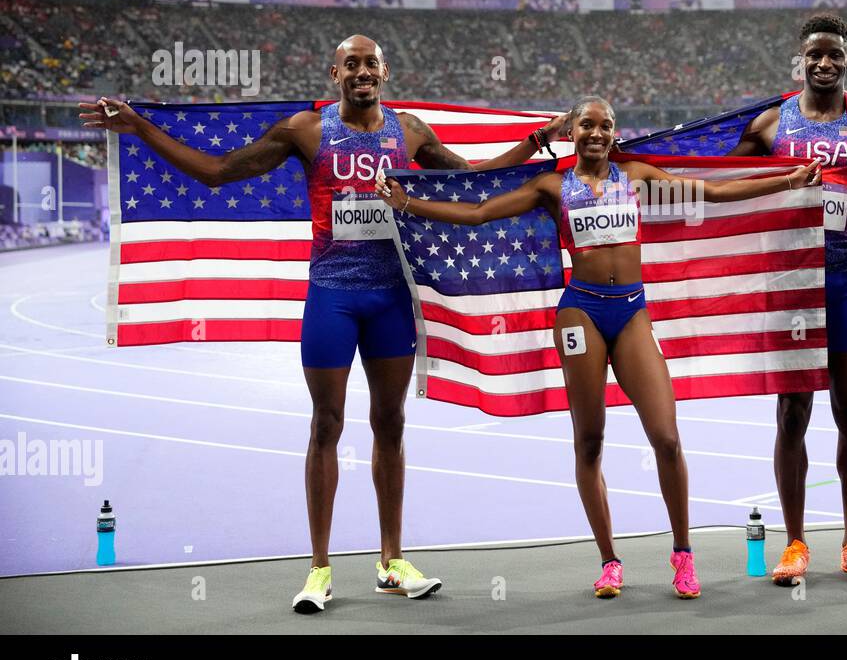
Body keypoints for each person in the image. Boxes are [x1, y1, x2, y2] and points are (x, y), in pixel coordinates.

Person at [79, 35, 566, 613]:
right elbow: (215, 171)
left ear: (385, 72)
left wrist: (535, 142)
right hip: (332, 297)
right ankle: (318, 569)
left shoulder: (409, 133)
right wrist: (141, 129)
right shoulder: (305, 132)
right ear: (334, 73)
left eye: (371, 64)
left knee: (391, 423)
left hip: (390, 298)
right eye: (351, 64)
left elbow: (471, 180)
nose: (362, 72)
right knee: (326, 425)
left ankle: (391, 561)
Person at [375, 95, 820, 599]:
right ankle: (610, 560)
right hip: (580, 312)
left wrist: (788, 181)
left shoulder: (635, 176)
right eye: (586, 124)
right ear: (573, 132)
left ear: (614, 132)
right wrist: (407, 204)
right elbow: (479, 214)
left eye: (605, 126)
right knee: (589, 440)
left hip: (630, 311)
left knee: (666, 437)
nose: (595, 133)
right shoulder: (550, 185)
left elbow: (714, 193)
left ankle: (682, 554)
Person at [727, 13, 847, 586]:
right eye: (814, 55)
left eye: (834, 54)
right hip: (792, 284)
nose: (824, 63)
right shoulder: (771, 125)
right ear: (801, 60)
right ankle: (796, 542)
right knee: (792, 413)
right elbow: (725, 183)